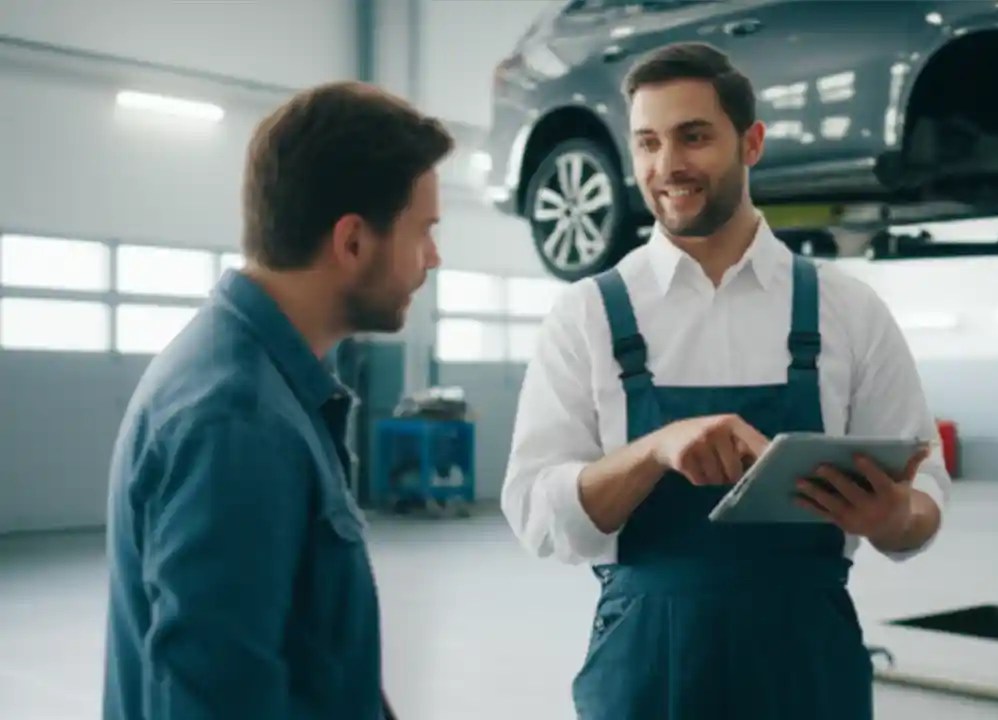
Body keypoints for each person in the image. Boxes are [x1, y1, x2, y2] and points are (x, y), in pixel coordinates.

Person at [501, 42, 951, 719]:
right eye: (647, 142)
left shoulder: (847, 311)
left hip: (809, 661)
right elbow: (538, 513)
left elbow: (925, 487)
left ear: (752, 143)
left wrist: (895, 519)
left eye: (693, 137)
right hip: (648, 665)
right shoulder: (587, 315)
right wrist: (654, 450)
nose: (667, 166)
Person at [102, 81, 453, 720]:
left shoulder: (268, 387)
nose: (434, 257)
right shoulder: (235, 422)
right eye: (423, 231)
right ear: (352, 242)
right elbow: (211, 699)